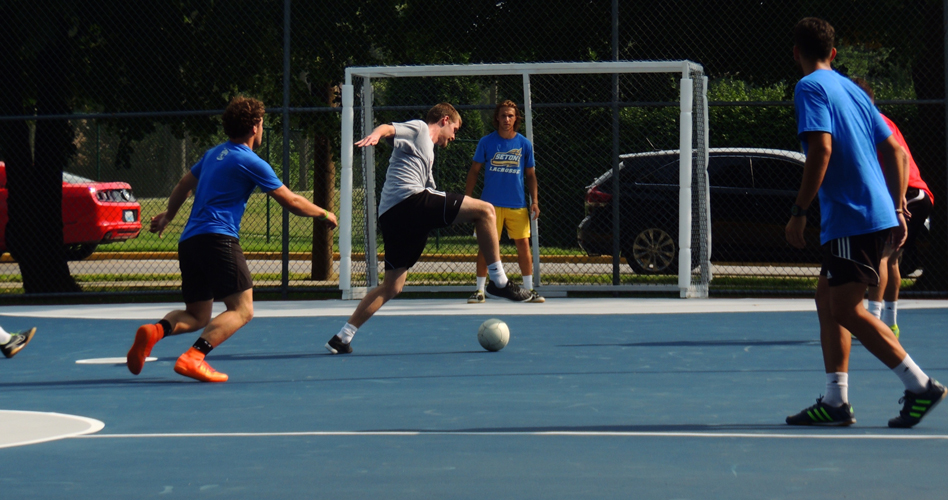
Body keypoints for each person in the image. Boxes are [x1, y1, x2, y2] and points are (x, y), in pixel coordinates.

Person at [784, 17, 945, 428]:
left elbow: (820, 150)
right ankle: (836, 401)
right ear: (834, 53)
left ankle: (920, 385)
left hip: (852, 215)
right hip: (872, 212)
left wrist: (799, 212)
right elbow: (895, 150)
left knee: (847, 308)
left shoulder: (809, 88)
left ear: (796, 53)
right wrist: (896, 208)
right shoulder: (852, 89)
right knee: (827, 301)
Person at [126, 96, 338, 382]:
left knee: (198, 315)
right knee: (242, 310)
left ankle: (154, 331)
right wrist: (324, 214)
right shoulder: (250, 160)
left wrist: (167, 216)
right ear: (254, 127)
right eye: (262, 124)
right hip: (218, 240)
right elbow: (291, 200)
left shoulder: (214, 153)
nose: (262, 129)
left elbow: (183, 184)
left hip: (190, 242)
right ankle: (194, 357)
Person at [325, 103, 533, 355]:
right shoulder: (421, 129)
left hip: (394, 217)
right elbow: (389, 128)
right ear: (444, 120)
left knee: (392, 286)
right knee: (486, 210)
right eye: (454, 129)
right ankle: (499, 281)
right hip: (409, 201)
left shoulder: (427, 154)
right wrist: (377, 135)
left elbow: (431, 188)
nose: (454, 136)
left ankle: (342, 336)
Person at [851, 77, 934, 339]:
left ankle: (873, 322)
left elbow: (902, 158)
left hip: (911, 195)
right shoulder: (867, 125)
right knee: (893, 258)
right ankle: (890, 324)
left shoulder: (878, 122)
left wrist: (898, 205)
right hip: (906, 197)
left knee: (882, 256)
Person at [465, 100, 544, 304]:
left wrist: (534, 201)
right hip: (489, 206)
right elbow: (474, 171)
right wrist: (467, 198)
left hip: (517, 204)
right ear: (497, 118)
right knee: (486, 247)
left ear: (516, 118)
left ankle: (529, 290)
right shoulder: (486, 142)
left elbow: (531, 175)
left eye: (510, 116)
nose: (506, 119)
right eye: (503, 116)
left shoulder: (524, 144)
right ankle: (479, 290)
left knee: (523, 245)